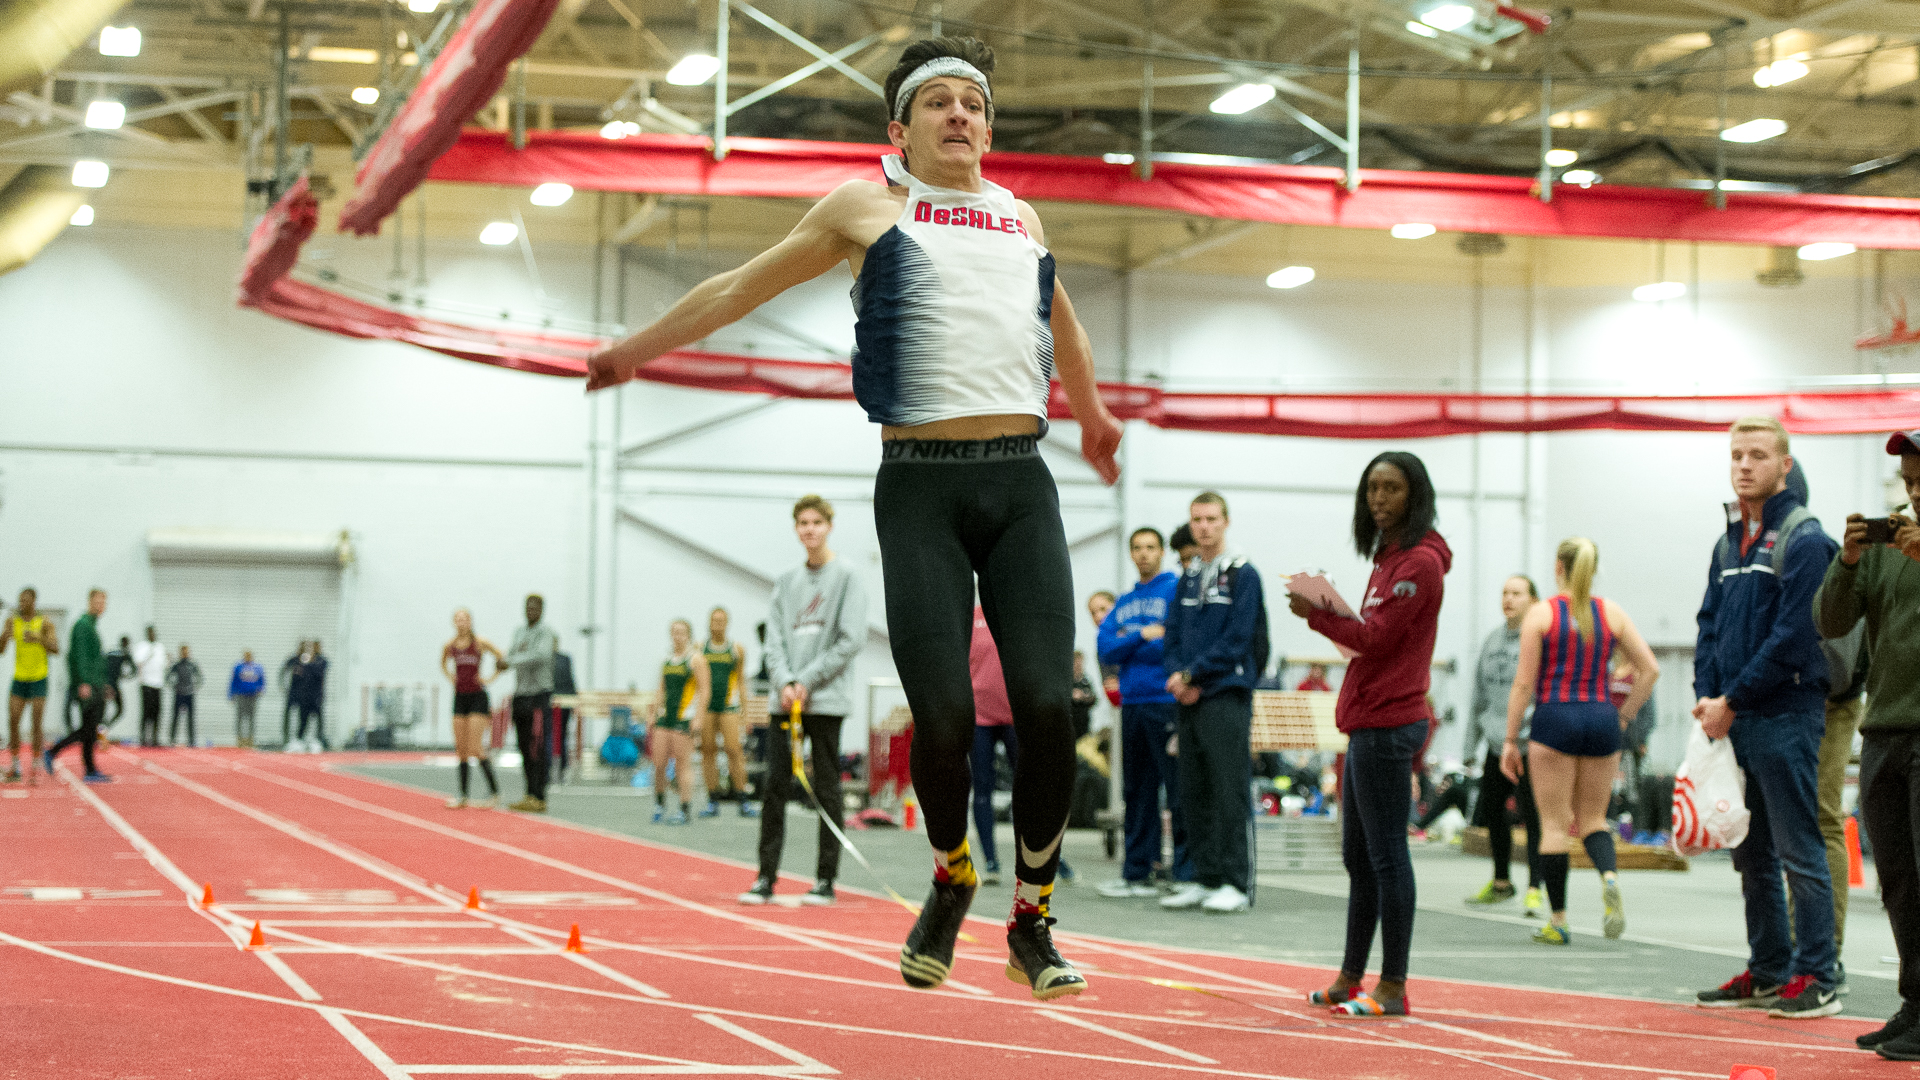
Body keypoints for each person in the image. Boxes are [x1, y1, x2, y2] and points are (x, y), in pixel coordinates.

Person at [589, 36, 1121, 1001]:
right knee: (945, 720)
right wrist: (634, 352)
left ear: (989, 127)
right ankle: (953, 874)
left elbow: (1066, 328)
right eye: (939, 104)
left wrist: (1093, 419)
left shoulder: (1018, 216)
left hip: (1020, 482)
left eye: (974, 104)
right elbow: (736, 287)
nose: (961, 116)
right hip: (918, 485)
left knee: (1048, 707)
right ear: (901, 128)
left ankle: (1032, 920)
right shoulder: (864, 207)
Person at [1690, 416, 1841, 1019]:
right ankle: (1772, 968)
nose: (1745, 465)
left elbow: (1793, 637)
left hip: (1783, 713)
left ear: (1784, 465)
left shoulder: (1805, 540)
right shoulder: (1728, 544)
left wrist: (1734, 699)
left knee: (1799, 847)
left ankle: (1818, 974)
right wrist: (1707, 695)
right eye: (1736, 455)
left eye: (1757, 455)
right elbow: (1708, 625)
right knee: (1750, 852)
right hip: (1732, 718)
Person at [1291, 451, 1450, 1019]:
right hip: (1366, 721)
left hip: (1390, 724)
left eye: (1391, 489)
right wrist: (1330, 613)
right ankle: (1350, 976)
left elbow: (1377, 639)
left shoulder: (1420, 564)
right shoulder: (1388, 559)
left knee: (1387, 857)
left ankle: (1394, 985)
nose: (1379, 499)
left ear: (1415, 495)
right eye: (1372, 489)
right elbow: (1368, 642)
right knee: (1359, 859)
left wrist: (1317, 613)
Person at [1816, 429, 1920, 1059]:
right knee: (1900, 880)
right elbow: (1831, 622)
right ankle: (1916, 1001)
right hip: (1884, 730)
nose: (1913, 495)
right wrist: (1848, 561)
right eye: (1908, 485)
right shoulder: (1889, 545)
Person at [1500, 539, 1659, 945]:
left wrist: (1509, 739)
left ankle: (1559, 919)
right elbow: (1650, 670)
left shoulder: (1542, 614)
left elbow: (1523, 684)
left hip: (1555, 718)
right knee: (1594, 821)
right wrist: (1624, 716)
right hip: (1602, 718)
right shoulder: (1612, 613)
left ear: (1558, 567)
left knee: (1555, 826)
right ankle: (1608, 876)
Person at [739, 496, 867, 908]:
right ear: (796, 529)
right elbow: (773, 639)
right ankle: (765, 877)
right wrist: (785, 681)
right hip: (785, 701)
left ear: (829, 526)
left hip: (825, 700)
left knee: (827, 788)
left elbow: (850, 640)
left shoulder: (848, 576)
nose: (809, 529)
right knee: (775, 786)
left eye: (816, 522)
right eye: (803, 523)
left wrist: (807, 681)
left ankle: (825, 880)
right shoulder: (786, 582)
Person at [1161, 491, 1264, 916]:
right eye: (1197, 519)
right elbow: (1173, 635)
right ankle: (1205, 878)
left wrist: (1194, 675)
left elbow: (1240, 639)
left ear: (1225, 522)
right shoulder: (1189, 576)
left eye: (1211, 519)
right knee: (1193, 789)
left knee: (1228, 789)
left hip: (1225, 695)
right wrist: (1177, 675)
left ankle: (1236, 882)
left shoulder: (1244, 574)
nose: (1203, 526)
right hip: (1189, 697)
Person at [1789, 458, 1866, 994]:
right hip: (1804, 696)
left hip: (1831, 698)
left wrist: (1830, 691)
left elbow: (1839, 633)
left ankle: (1823, 953)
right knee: (1798, 823)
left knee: (1821, 818)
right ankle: (1804, 949)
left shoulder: (1811, 545)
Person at [1096, 526, 1189, 899]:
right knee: (1137, 791)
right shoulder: (1124, 600)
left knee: (1176, 790)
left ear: (1162, 551)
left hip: (1165, 702)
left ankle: (1183, 873)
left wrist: (1130, 643)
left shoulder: (1174, 590)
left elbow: (1169, 645)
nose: (1144, 554)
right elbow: (1106, 649)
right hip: (1132, 704)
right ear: (1131, 554)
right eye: (1138, 548)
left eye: (1151, 547)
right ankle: (1137, 871)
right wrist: (1140, 636)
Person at [1462, 575, 1545, 915]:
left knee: (1535, 817)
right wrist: (1471, 745)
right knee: (1493, 812)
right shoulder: (1492, 640)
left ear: (1533, 600)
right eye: (1505, 593)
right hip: (1497, 744)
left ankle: (1536, 888)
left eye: (1517, 593)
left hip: (1530, 745)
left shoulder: (1539, 639)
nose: (1508, 599)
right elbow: (1478, 696)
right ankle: (1501, 881)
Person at [969, 604, 1017, 885]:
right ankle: (991, 861)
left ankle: (1047, 857)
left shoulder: (1016, 612)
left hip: (1014, 715)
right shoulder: (970, 617)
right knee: (982, 788)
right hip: (979, 717)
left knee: (1029, 789)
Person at [45, 589, 110, 782]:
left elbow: (94, 659)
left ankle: (89, 768)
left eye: (104, 602)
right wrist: (83, 682)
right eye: (98, 601)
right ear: (90, 601)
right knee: (88, 728)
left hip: (96, 683)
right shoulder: (82, 626)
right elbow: (79, 656)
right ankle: (55, 751)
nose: (101, 605)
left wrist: (103, 683)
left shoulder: (91, 626)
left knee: (90, 729)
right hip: (87, 685)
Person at [442, 609, 504, 809]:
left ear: (470, 622)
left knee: (475, 748)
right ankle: (463, 795)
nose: (462, 623)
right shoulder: (450, 646)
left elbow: (501, 657)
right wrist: (451, 677)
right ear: (454, 622)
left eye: (465, 619)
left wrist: (490, 678)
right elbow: (443, 663)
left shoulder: (480, 643)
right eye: (458, 619)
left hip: (478, 698)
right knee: (461, 749)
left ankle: (494, 792)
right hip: (460, 698)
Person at [698, 607, 756, 817]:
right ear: (709, 623)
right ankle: (712, 799)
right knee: (708, 751)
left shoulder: (736, 649)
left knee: (734, 750)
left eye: (722, 621)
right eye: (714, 621)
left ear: (727, 623)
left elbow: (741, 681)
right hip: (707, 708)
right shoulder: (700, 649)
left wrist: (745, 713)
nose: (718, 625)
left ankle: (743, 798)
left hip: (729, 706)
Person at [505, 595, 558, 812]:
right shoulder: (519, 632)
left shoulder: (546, 633)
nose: (531, 611)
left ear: (542, 610)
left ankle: (539, 794)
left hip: (539, 696)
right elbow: (511, 653)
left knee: (538, 747)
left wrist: (511, 660)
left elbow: (540, 655)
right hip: (521, 694)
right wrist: (509, 660)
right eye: (528, 607)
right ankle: (528, 793)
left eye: (535, 608)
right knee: (524, 747)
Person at [653, 618, 707, 826]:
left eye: (681, 632)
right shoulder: (667, 660)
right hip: (665, 717)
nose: (677, 636)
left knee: (682, 764)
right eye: (674, 632)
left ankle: (684, 808)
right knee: (658, 763)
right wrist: (653, 711)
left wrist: (699, 718)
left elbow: (704, 690)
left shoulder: (695, 660)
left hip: (684, 717)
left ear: (688, 635)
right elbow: (661, 688)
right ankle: (659, 803)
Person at [4, 588, 58, 783]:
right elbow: (1, 649)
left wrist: (39, 638)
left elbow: (56, 648)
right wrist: (4, 635)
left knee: (36, 722)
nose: (21, 604)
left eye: (25, 600)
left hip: (39, 678)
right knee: (13, 720)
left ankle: (35, 764)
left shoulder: (44, 622)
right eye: (20, 600)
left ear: (34, 601)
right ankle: (15, 764)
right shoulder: (13, 621)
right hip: (19, 678)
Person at [131, 626, 167, 748]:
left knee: (156, 711)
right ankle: (143, 737)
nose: (152, 635)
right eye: (150, 633)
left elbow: (163, 664)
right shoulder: (142, 646)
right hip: (146, 683)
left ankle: (155, 738)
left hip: (158, 684)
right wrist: (148, 653)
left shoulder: (160, 647)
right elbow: (138, 661)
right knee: (146, 711)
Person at [294, 641, 330, 751]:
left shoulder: (321, 661)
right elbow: (297, 675)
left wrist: (311, 663)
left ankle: (318, 740)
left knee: (318, 719)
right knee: (303, 719)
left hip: (316, 695)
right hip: (305, 695)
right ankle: (300, 740)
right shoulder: (303, 660)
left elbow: (319, 674)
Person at [167, 644, 202, 747]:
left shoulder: (192, 665)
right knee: (175, 717)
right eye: (183, 652)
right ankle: (172, 739)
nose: (185, 653)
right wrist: (174, 686)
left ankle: (191, 740)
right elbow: (168, 677)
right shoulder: (177, 665)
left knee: (191, 718)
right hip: (179, 694)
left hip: (189, 694)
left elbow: (199, 677)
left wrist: (195, 686)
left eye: (186, 651)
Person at [229, 651, 266, 748]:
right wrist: (231, 694)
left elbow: (262, 681)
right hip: (241, 695)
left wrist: (261, 689)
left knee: (252, 718)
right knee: (240, 717)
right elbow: (233, 681)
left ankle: (250, 739)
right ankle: (240, 739)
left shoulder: (257, 668)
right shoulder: (238, 667)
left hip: (253, 696)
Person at [280, 642, 307, 748]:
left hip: (303, 693)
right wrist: (283, 687)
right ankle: (286, 737)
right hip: (292, 691)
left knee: (303, 716)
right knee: (287, 714)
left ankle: (299, 738)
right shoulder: (293, 659)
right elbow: (283, 671)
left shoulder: (307, 661)